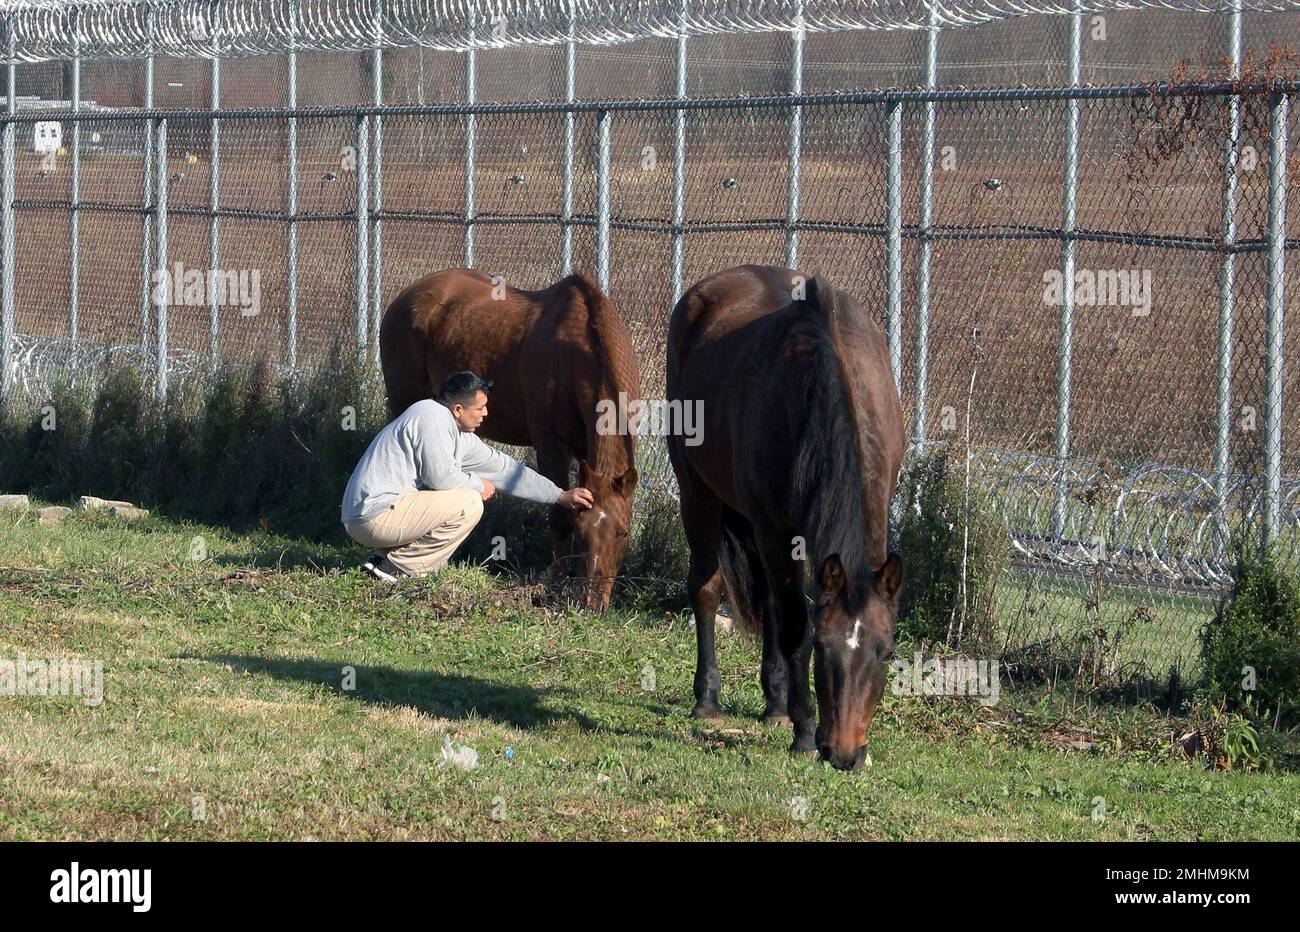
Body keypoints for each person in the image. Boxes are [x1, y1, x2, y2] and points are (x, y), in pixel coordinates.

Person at [341, 370, 594, 581]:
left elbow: (504, 469)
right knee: (468, 502)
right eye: (481, 408)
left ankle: (381, 561)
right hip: (372, 515)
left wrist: (559, 495)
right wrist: (477, 485)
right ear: (458, 408)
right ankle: (399, 570)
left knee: (458, 496)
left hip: (373, 514)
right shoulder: (431, 417)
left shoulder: (457, 432)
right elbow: (440, 478)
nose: (485, 414)